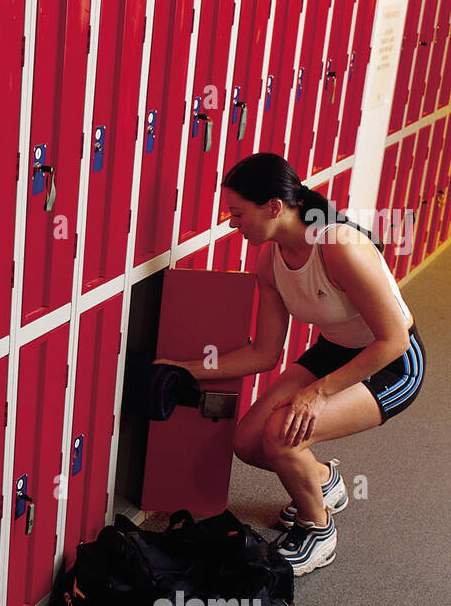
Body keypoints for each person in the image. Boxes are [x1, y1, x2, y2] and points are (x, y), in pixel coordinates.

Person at [156, 153, 425, 575]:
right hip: (335, 351)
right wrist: (184, 367)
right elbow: (263, 353)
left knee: (281, 436)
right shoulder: (271, 259)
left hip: (392, 364)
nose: (232, 223)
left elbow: (392, 340)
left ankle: (318, 530)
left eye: (237, 213)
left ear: (275, 207)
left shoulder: (340, 249)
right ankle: (322, 479)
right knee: (248, 441)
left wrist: (316, 395)